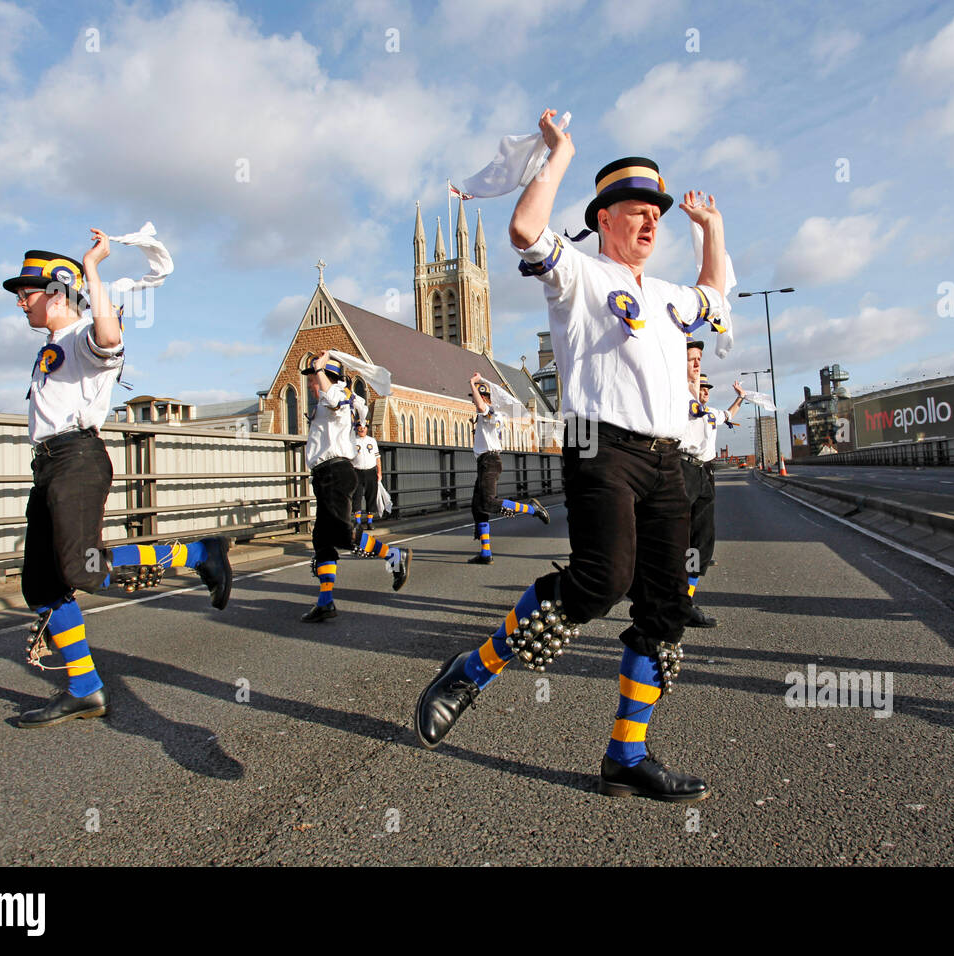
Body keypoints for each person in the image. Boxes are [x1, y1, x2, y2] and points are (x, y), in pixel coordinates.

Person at [415, 109, 728, 802]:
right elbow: (525, 231)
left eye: (658, 215)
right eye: (637, 211)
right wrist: (560, 153)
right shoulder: (580, 276)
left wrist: (713, 231)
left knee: (666, 608)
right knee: (598, 582)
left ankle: (627, 754)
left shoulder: (672, 300)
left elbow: (715, 296)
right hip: (600, 447)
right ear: (606, 217)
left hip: (666, 458)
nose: (651, 223)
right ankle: (472, 669)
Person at [4, 233, 232, 728]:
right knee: (41, 587)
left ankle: (199, 554)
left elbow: (109, 338)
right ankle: (85, 690)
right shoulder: (54, 345)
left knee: (81, 571)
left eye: (28, 292)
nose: (20, 302)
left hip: (76, 460)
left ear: (59, 291)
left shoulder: (85, 335)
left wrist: (93, 269)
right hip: (48, 464)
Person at [301, 351, 411, 623]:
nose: (311, 385)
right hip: (327, 474)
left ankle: (394, 555)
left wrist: (320, 371)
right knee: (322, 542)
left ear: (327, 377)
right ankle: (325, 602)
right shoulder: (341, 398)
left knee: (342, 534)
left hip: (335, 472)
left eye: (314, 379)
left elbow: (335, 397)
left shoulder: (336, 395)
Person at [679, 351, 744, 628]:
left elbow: (729, 414)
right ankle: (664, 598)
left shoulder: (711, 413)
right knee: (675, 537)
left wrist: (741, 397)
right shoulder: (673, 398)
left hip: (704, 471)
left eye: (700, 361)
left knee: (701, 541)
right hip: (681, 468)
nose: (697, 366)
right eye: (692, 361)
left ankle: (686, 601)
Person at [466, 372, 550, 564]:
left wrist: (473, 382)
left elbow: (481, 406)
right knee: (478, 507)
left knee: (487, 502)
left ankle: (531, 509)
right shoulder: (492, 415)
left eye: (477, 395)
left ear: (486, 397)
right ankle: (485, 553)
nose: (473, 400)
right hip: (486, 462)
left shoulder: (490, 412)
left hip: (489, 461)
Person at [350, 422, 382, 542]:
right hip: (357, 471)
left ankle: (370, 521)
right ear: (357, 429)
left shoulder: (372, 440)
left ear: (367, 429)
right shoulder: (352, 440)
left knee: (371, 495)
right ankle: (358, 523)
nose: (362, 430)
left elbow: (377, 457)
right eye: (360, 428)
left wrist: (379, 472)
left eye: (364, 428)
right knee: (357, 496)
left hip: (370, 471)